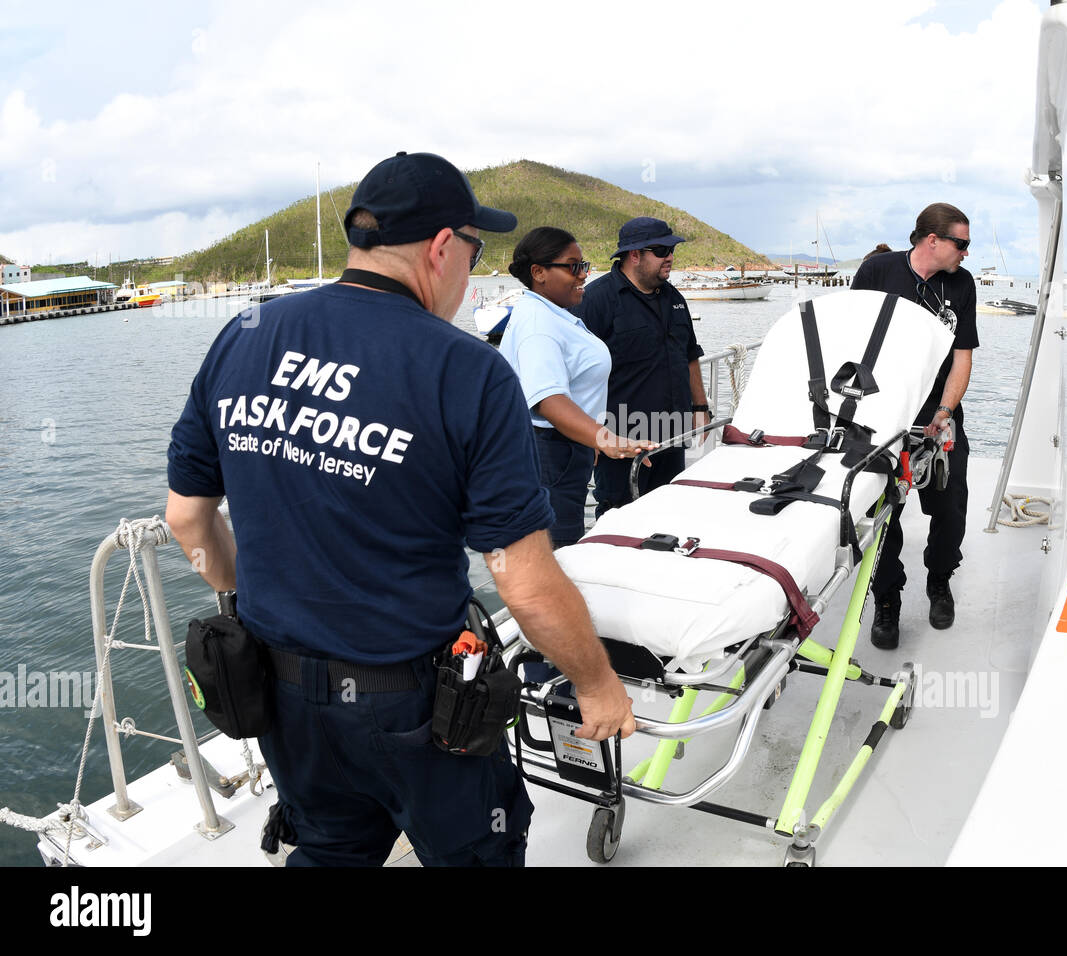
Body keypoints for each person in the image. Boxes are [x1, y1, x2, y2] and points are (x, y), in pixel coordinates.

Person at [165, 151, 634, 867]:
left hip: (281, 696)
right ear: (444, 247)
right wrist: (597, 684)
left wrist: (244, 591)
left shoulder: (245, 333)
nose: (470, 273)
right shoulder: (466, 369)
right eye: (474, 252)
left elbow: (188, 521)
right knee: (475, 852)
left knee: (326, 851)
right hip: (416, 708)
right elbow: (525, 582)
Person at [850, 203, 978, 649]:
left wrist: (944, 412)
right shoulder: (878, 272)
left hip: (938, 415)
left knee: (950, 505)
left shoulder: (961, 284)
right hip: (882, 418)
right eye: (961, 243)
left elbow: (962, 356)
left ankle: (939, 579)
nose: (966, 251)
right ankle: (887, 598)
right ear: (932, 241)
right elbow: (850, 343)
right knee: (882, 511)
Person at [498, 227, 656, 548]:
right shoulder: (538, 324)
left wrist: (589, 438)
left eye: (584, 266)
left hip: (566, 447)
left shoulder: (553, 313)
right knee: (557, 550)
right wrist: (607, 440)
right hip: (549, 454)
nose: (583, 275)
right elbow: (547, 400)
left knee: (562, 541)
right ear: (539, 273)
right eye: (574, 267)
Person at [571, 217, 711, 516]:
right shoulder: (596, 301)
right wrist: (589, 435)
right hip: (621, 438)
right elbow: (574, 372)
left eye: (672, 249)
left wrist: (700, 408)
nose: (670, 257)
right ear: (634, 255)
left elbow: (689, 353)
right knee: (620, 521)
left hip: (672, 433)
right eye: (661, 250)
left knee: (670, 516)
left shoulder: (674, 298)